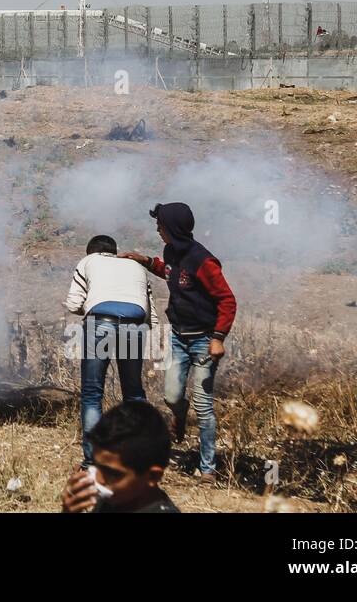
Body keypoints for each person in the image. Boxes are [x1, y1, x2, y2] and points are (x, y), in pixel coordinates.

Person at [121, 202, 237, 484]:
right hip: (178, 337)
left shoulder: (204, 262)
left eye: (160, 225)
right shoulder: (171, 251)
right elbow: (170, 273)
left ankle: (207, 468)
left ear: (172, 227)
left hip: (204, 341)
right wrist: (145, 261)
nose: (157, 229)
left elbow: (227, 300)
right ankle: (179, 415)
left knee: (204, 406)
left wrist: (218, 338)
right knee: (172, 396)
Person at [65, 234, 159, 468]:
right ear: (114, 251)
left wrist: (92, 307)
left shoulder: (87, 262)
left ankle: (92, 461)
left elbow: (73, 304)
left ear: (92, 251)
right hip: (135, 325)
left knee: (92, 393)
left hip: (100, 323)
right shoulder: (136, 266)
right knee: (134, 393)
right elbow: (151, 313)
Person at [61, 401, 180, 513]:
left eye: (113, 474)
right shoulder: (115, 501)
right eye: (96, 465)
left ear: (152, 476)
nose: (98, 479)